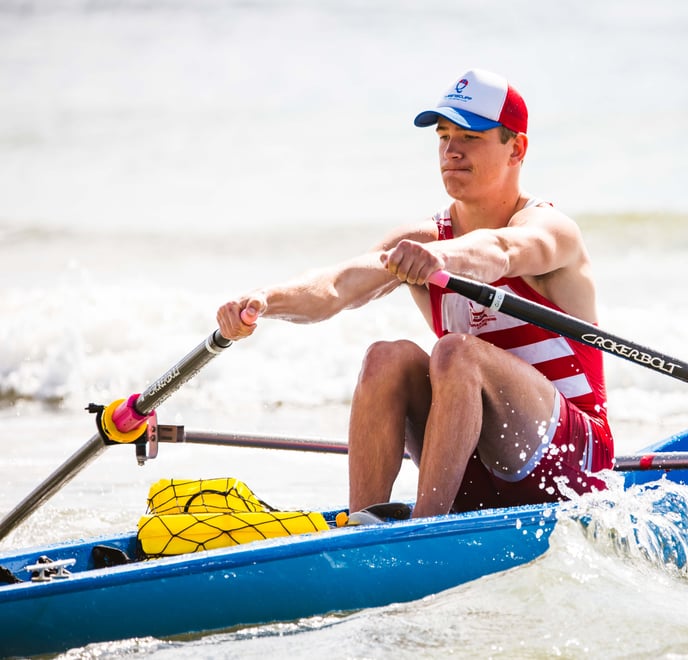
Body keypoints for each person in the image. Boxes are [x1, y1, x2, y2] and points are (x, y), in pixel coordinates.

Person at [216, 68, 614, 520]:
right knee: (387, 357)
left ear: (516, 148)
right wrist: (263, 301)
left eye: (470, 136)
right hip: (478, 465)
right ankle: (361, 531)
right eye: (443, 137)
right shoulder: (423, 238)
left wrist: (445, 258)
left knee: (456, 353)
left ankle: (425, 528)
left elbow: (501, 251)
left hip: (574, 464)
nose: (451, 150)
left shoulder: (550, 230)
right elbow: (338, 286)